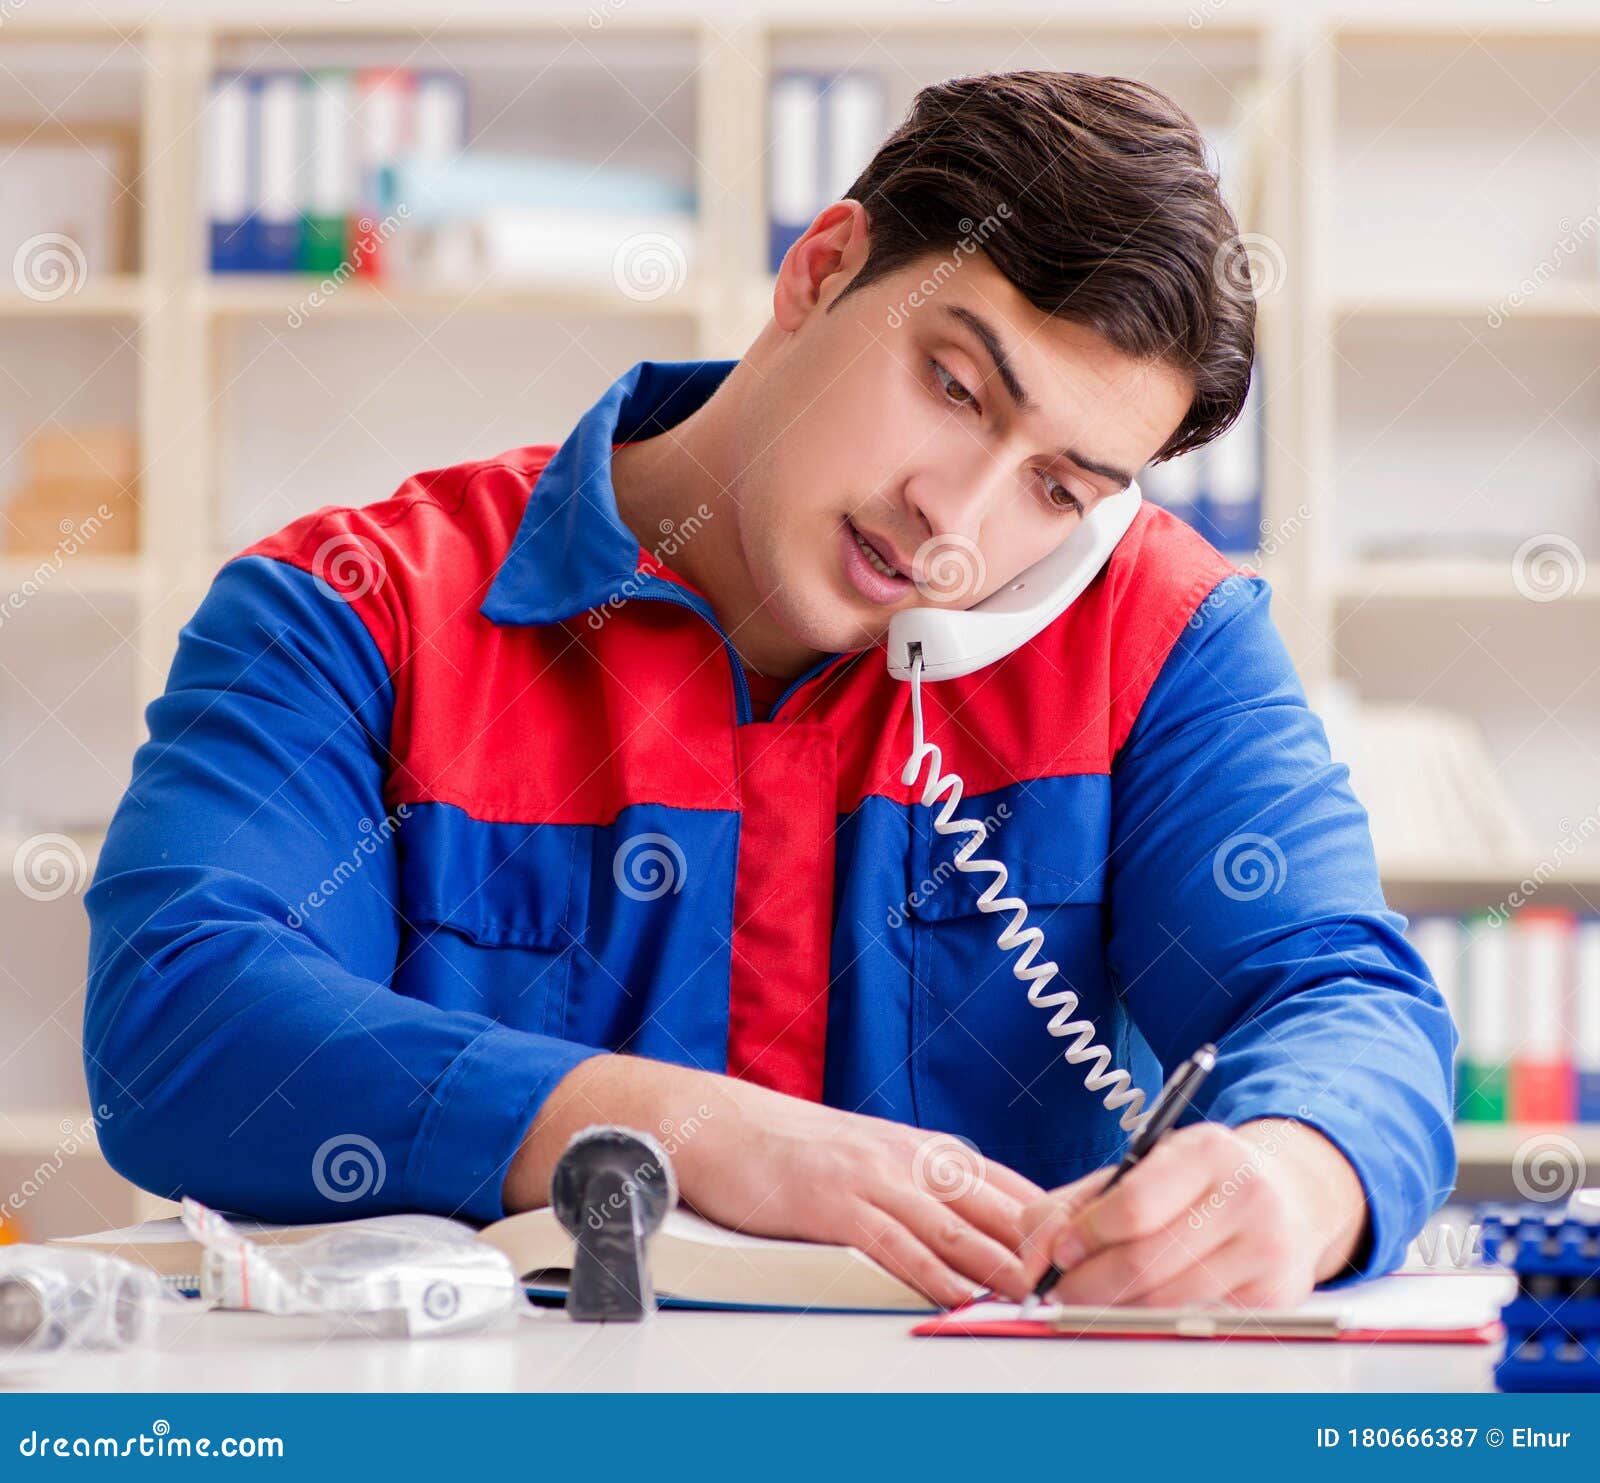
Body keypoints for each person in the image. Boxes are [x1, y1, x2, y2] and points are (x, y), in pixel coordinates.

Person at [84, 70, 1455, 1310]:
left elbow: (1348, 1004)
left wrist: (1296, 1175)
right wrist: (676, 1131)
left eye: (1058, 487)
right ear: (822, 271)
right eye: (955, 386)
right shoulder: (350, 608)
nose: (953, 522)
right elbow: (183, 1015)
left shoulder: (1162, 640)